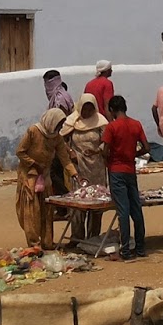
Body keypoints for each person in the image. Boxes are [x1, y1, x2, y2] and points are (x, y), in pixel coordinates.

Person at [14, 108, 69, 248]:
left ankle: (47, 242)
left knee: (47, 211)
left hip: (45, 176)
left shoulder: (56, 137)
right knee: (32, 211)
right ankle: (34, 244)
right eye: (59, 124)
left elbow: (64, 158)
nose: (60, 127)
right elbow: (20, 152)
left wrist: (75, 174)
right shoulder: (33, 131)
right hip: (29, 176)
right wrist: (33, 163)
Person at [103, 96, 149, 260]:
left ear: (112, 110)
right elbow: (146, 147)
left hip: (116, 170)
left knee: (123, 211)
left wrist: (108, 160)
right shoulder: (136, 124)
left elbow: (105, 151)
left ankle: (125, 250)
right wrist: (133, 154)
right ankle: (141, 248)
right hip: (130, 169)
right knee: (136, 209)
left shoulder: (112, 127)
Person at [61, 94, 110, 240]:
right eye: (84, 108)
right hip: (79, 167)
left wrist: (98, 150)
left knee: (96, 202)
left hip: (97, 167)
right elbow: (60, 140)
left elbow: (107, 141)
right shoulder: (72, 121)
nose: (87, 112)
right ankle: (77, 237)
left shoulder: (101, 122)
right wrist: (70, 152)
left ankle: (93, 237)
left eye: (90, 109)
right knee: (77, 203)